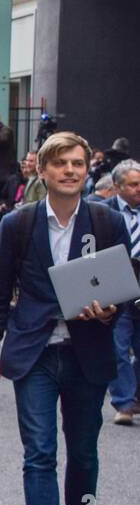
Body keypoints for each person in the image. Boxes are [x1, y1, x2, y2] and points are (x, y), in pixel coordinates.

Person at [0, 132, 129, 505]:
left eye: (78, 163)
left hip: (88, 353)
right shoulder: (18, 225)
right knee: (39, 454)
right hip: (35, 353)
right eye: (60, 163)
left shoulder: (105, 221)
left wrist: (111, 308)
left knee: (83, 451)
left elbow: (120, 287)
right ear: (42, 170)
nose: (70, 170)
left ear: (87, 171)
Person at [104, 159, 140, 425]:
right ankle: (124, 402)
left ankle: (136, 396)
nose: (139, 189)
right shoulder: (103, 212)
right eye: (134, 184)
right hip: (116, 282)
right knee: (118, 344)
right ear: (117, 187)